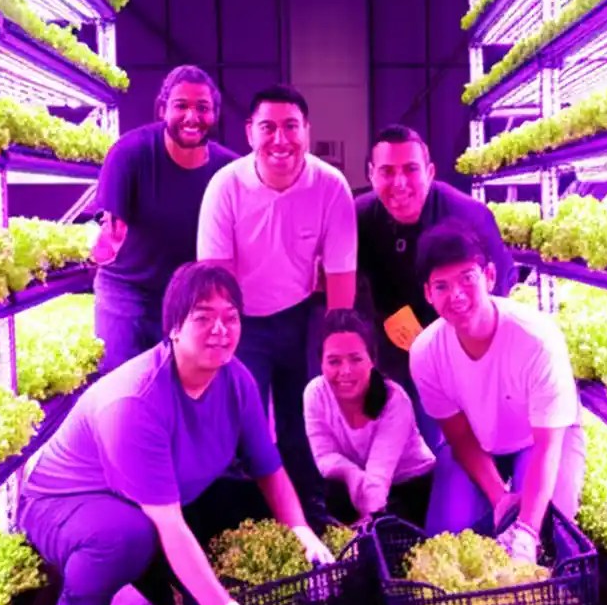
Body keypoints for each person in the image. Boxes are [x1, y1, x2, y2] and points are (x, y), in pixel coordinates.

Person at [18, 262, 335, 605]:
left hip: (156, 499)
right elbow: (166, 521)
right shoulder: (135, 402)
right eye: (203, 318)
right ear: (173, 328)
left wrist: (301, 531)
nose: (220, 329)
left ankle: (169, 579)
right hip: (69, 506)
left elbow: (269, 469)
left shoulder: (235, 380)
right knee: (128, 537)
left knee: (250, 504)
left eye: (231, 317)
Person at [197, 84, 358, 529]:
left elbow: (341, 279)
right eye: (268, 127)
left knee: (303, 419)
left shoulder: (330, 186)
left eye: (291, 127)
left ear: (307, 131)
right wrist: (222, 341)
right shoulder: (225, 186)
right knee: (235, 417)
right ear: (250, 132)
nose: (280, 139)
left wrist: (336, 350)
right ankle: (236, 526)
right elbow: (215, 281)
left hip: (299, 316)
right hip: (241, 319)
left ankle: (313, 517)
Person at [408, 223, 586, 564]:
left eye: (467, 278)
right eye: (442, 286)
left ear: (489, 276)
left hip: (541, 441)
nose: (456, 294)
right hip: (478, 442)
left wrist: (527, 532)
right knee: (446, 544)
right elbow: (459, 436)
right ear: (428, 294)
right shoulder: (425, 353)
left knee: (553, 535)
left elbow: (547, 445)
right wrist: (500, 498)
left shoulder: (536, 339)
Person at [354, 125, 514, 451]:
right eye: (387, 171)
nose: (399, 183)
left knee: (464, 439)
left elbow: (500, 286)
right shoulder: (358, 216)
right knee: (398, 438)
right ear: (371, 175)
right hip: (393, 346)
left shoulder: (469, 215)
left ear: (429, 172)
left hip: (458, 341)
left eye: (410, 169)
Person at [90, 65, 239, 374]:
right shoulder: (129, 153)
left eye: (203, 108)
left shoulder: (229, 171)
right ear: (162, 110)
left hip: (190, 297)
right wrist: (106, 238)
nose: (192, 116)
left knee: (185, 386)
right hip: (127, 292)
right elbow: (108, 234)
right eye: (181, 106)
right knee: (124, 383)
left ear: (215, 114)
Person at [304, 309, 436, 527]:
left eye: (356, 359)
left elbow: (378, 478)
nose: (345, 371)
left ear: (372, 360)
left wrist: (369, 521)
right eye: (334, 361)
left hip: (410, 485)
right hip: (358, 484)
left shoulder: (395, 400)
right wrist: (351, 474)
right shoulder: (315, 393)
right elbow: (324, 457)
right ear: (321, 363)